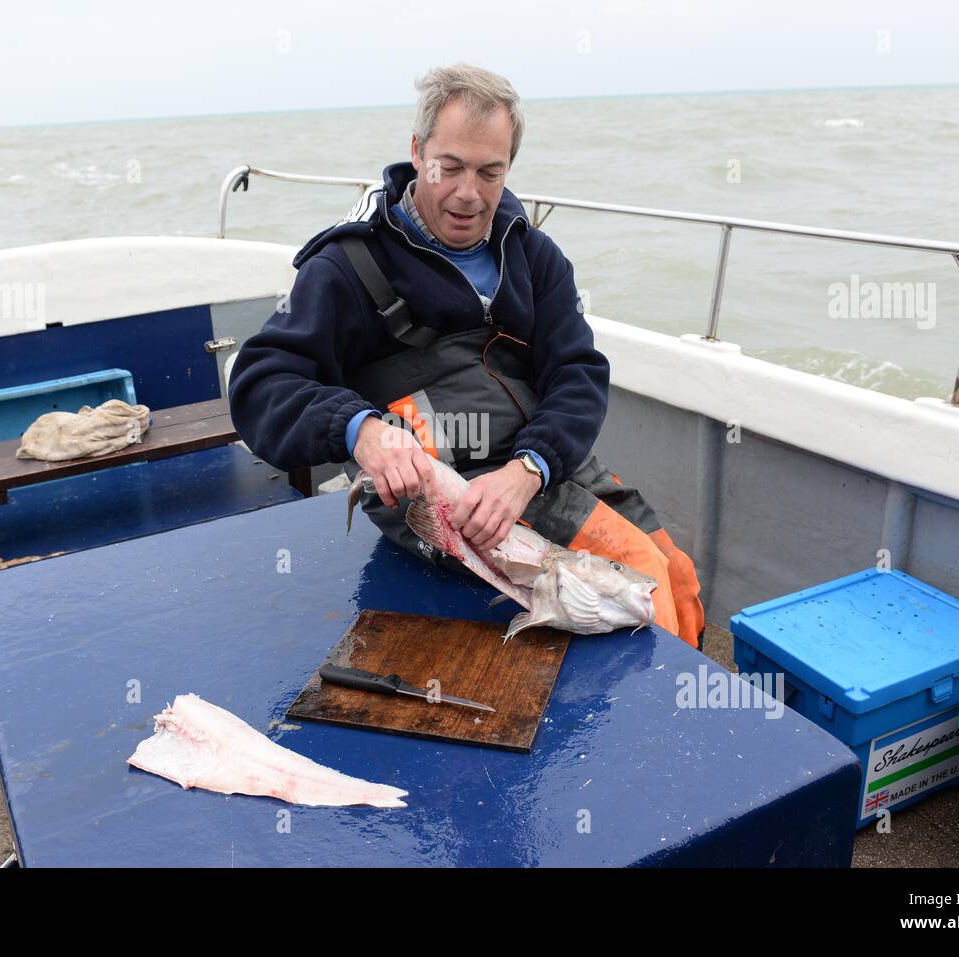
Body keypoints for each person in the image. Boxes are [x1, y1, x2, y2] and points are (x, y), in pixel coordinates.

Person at [230, 63, 704, 646]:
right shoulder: (346, 268)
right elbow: (260, 384)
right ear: (416, 150)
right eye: (449, 167)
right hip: (446, 493)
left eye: (490, 172)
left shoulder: (532, 254)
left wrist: (529, 470)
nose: (468, 194)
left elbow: (578, 374)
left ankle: (674, 724)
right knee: (640, 586)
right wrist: (360, 431)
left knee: (677, 580)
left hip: (538, 466)